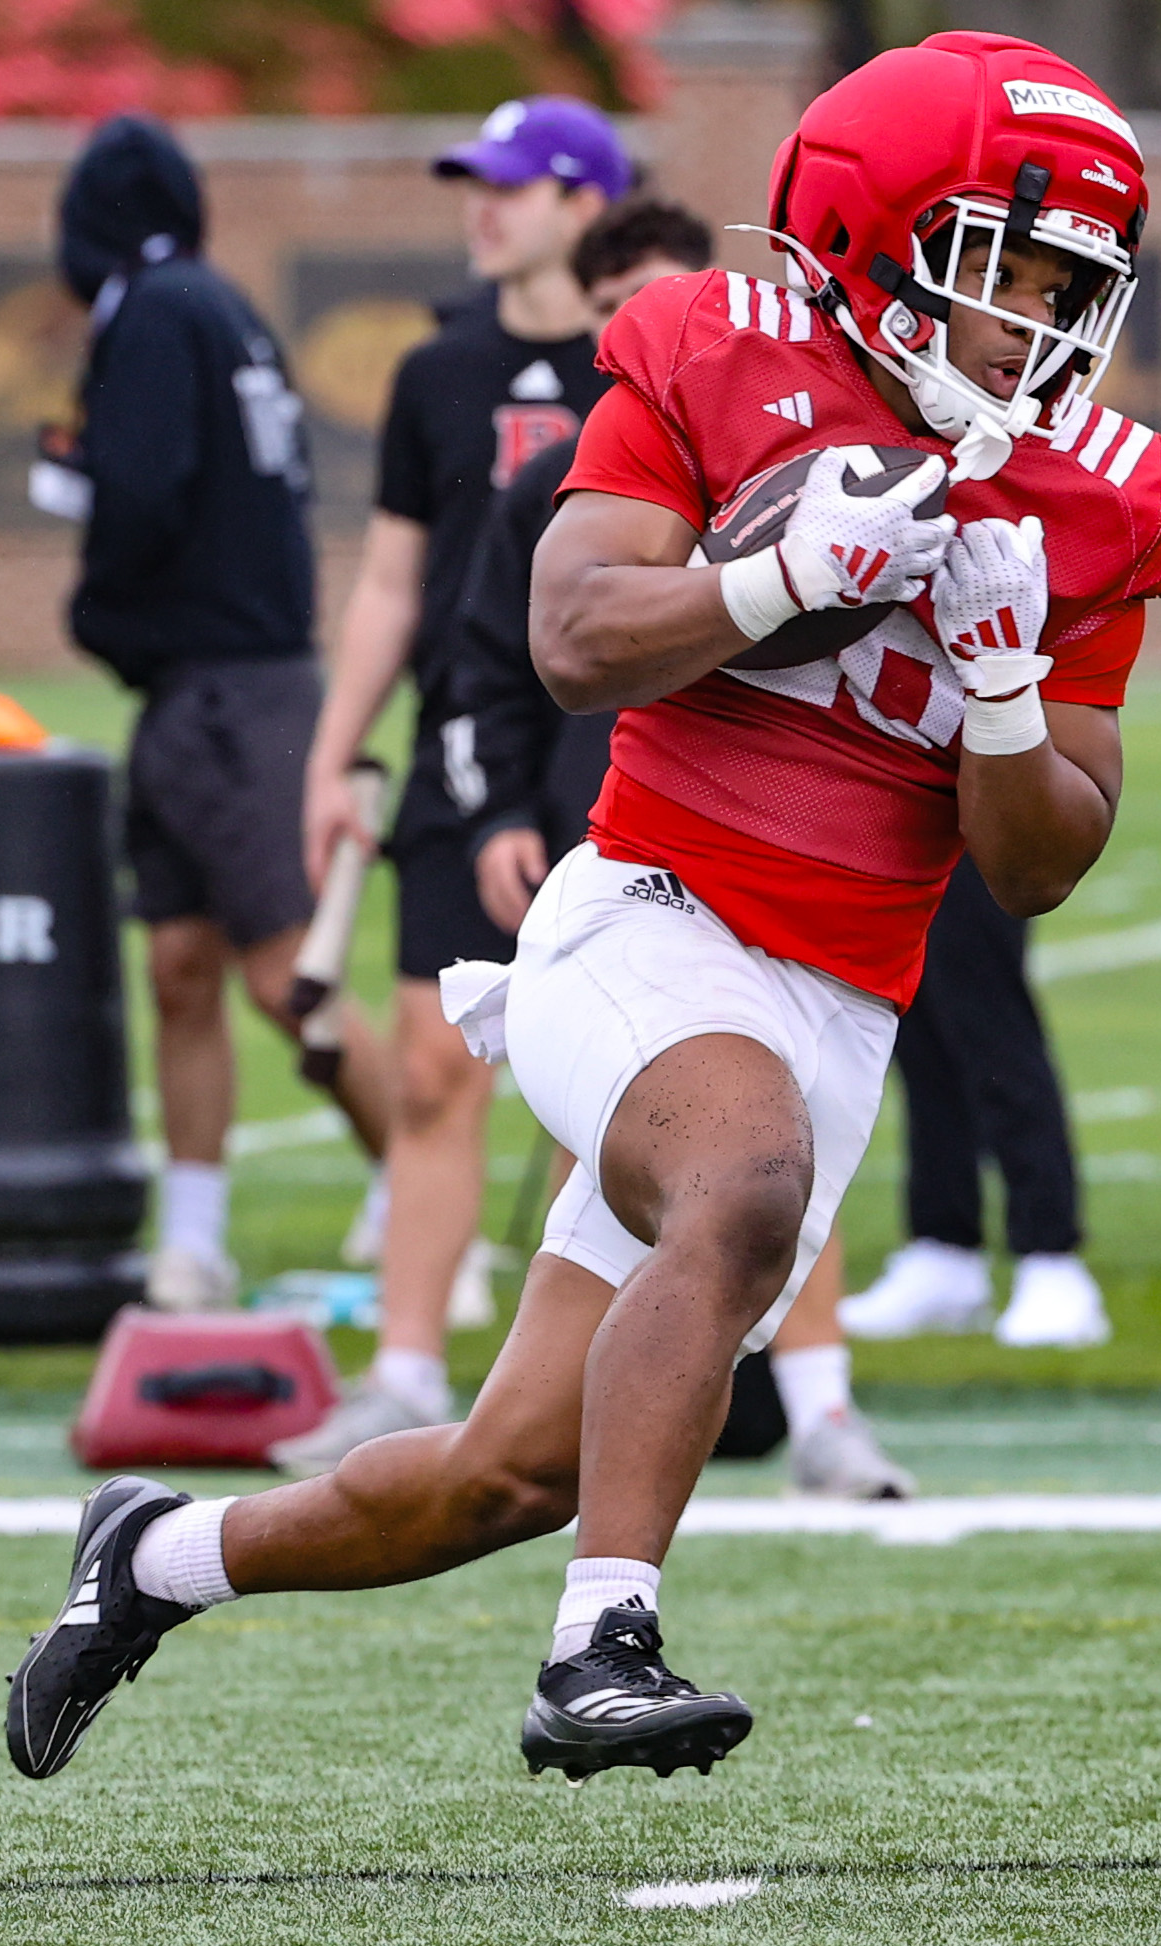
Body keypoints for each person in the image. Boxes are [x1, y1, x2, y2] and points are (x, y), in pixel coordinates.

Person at [7, 33, 1161, 1790]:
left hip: (838, 1001)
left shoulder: (1108, 496)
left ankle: (153, 1554)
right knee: (744, 1173)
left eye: (1064, 283)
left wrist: (1005, 683)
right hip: (642, 917)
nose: (1032, 321)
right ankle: (603, 1643)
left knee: (503, 1470)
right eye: (996, 269)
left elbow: (1032, 863)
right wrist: (779, 574)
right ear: (869, 242)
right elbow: (572, 634)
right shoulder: (709, 348)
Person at [442, 196, 914, 1500]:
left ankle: (816, 1402)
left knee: (507, 1475)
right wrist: (499, 809)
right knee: (736, 1141)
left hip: (777, 855)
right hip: (628, 852)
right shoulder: (564, 474)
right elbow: (509, 652)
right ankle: (607, 1621)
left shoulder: (843, 449)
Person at [299, 97, 633, 1444]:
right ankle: (407, 1372)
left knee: (594, 1077)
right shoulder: (436, 372)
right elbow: (391, 583)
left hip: (607, 756)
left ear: (587, 202)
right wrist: (332, 755)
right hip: (460, 749)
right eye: (473, 184)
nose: (483, 206)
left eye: (516, 184)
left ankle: (571, 1383)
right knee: (438, 1068)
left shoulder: (641, 369)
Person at [50, 115, 388, 1312]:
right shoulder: (219, 304)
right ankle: (192, 1241)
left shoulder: (151, 312)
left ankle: (416, 1188)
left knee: (286, 974)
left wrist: (98, 607)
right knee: (182, 963)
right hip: (213, 679)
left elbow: (141, 490)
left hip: (233, 687)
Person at [839, 851, 1109, 1347]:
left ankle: (1050, 1257)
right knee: (916, 1016)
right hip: (903, 794)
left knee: (987, 1012)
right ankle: (946, 1247)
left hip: (985, 802)